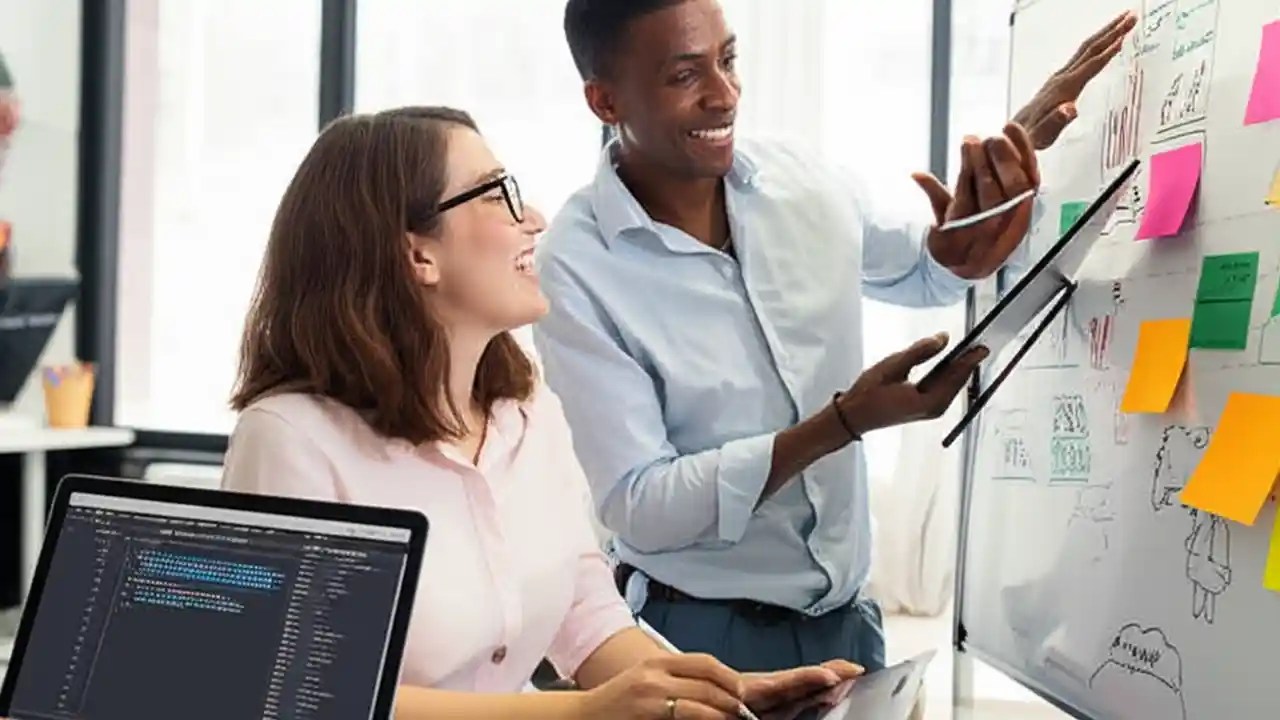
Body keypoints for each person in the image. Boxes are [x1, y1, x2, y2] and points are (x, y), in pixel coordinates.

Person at [531, 0, 1137, 673]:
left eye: (728, 61)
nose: (724, 95)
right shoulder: (576, 265)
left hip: (849, 630)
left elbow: (927, 268)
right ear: (604, 100)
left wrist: (990, 191)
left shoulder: (797, 180)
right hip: (695, 640)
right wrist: (840, 425)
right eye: (684, 76)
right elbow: (640, 505)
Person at [219, 106, 860, 720]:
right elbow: (308, 691)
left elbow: (585, 615)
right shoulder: (290, 439)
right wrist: (580, 713)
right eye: (495, 194)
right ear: (418, 254)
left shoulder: (525, 411)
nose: (534, 217)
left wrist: (718, 696)